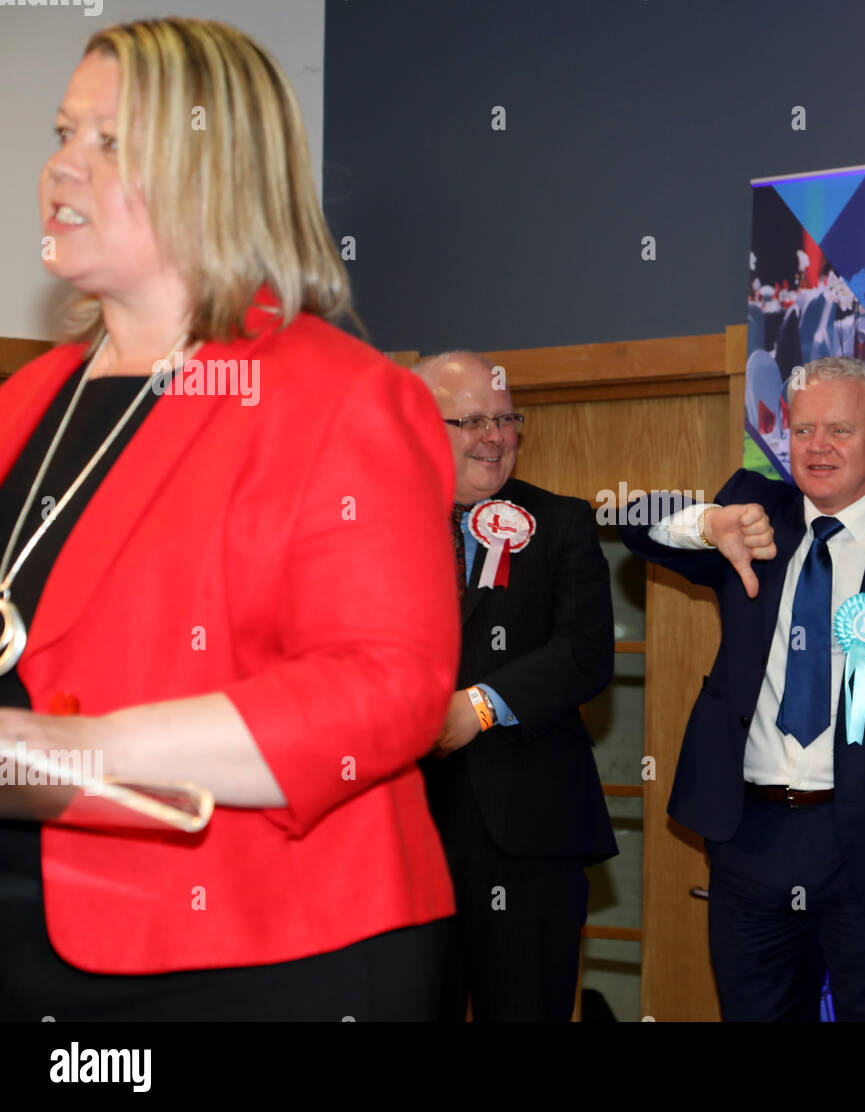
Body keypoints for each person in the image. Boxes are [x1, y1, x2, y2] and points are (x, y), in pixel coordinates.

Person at [0, 18, 460, 1020]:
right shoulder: (25, 399)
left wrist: (70, 753)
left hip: (257, 953)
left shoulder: (341, 396)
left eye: (109, 141)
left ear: (214, 167)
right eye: (60, 133)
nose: (61, 169)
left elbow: (386, 689)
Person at [620, 355, 865, 1021]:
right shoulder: (750, 512)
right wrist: (708, 525)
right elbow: (627, 518)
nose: (817, 447)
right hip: (749, 836)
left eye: (841, 431)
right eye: (803, 429)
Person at [414, 351, 616, 1022]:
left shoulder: (560, 523)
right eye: (472, 419)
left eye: (506, 419)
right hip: (404, 833)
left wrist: (480, 707)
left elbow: (585, 653)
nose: (495, 437)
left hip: (526, 837)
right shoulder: (371, 526)